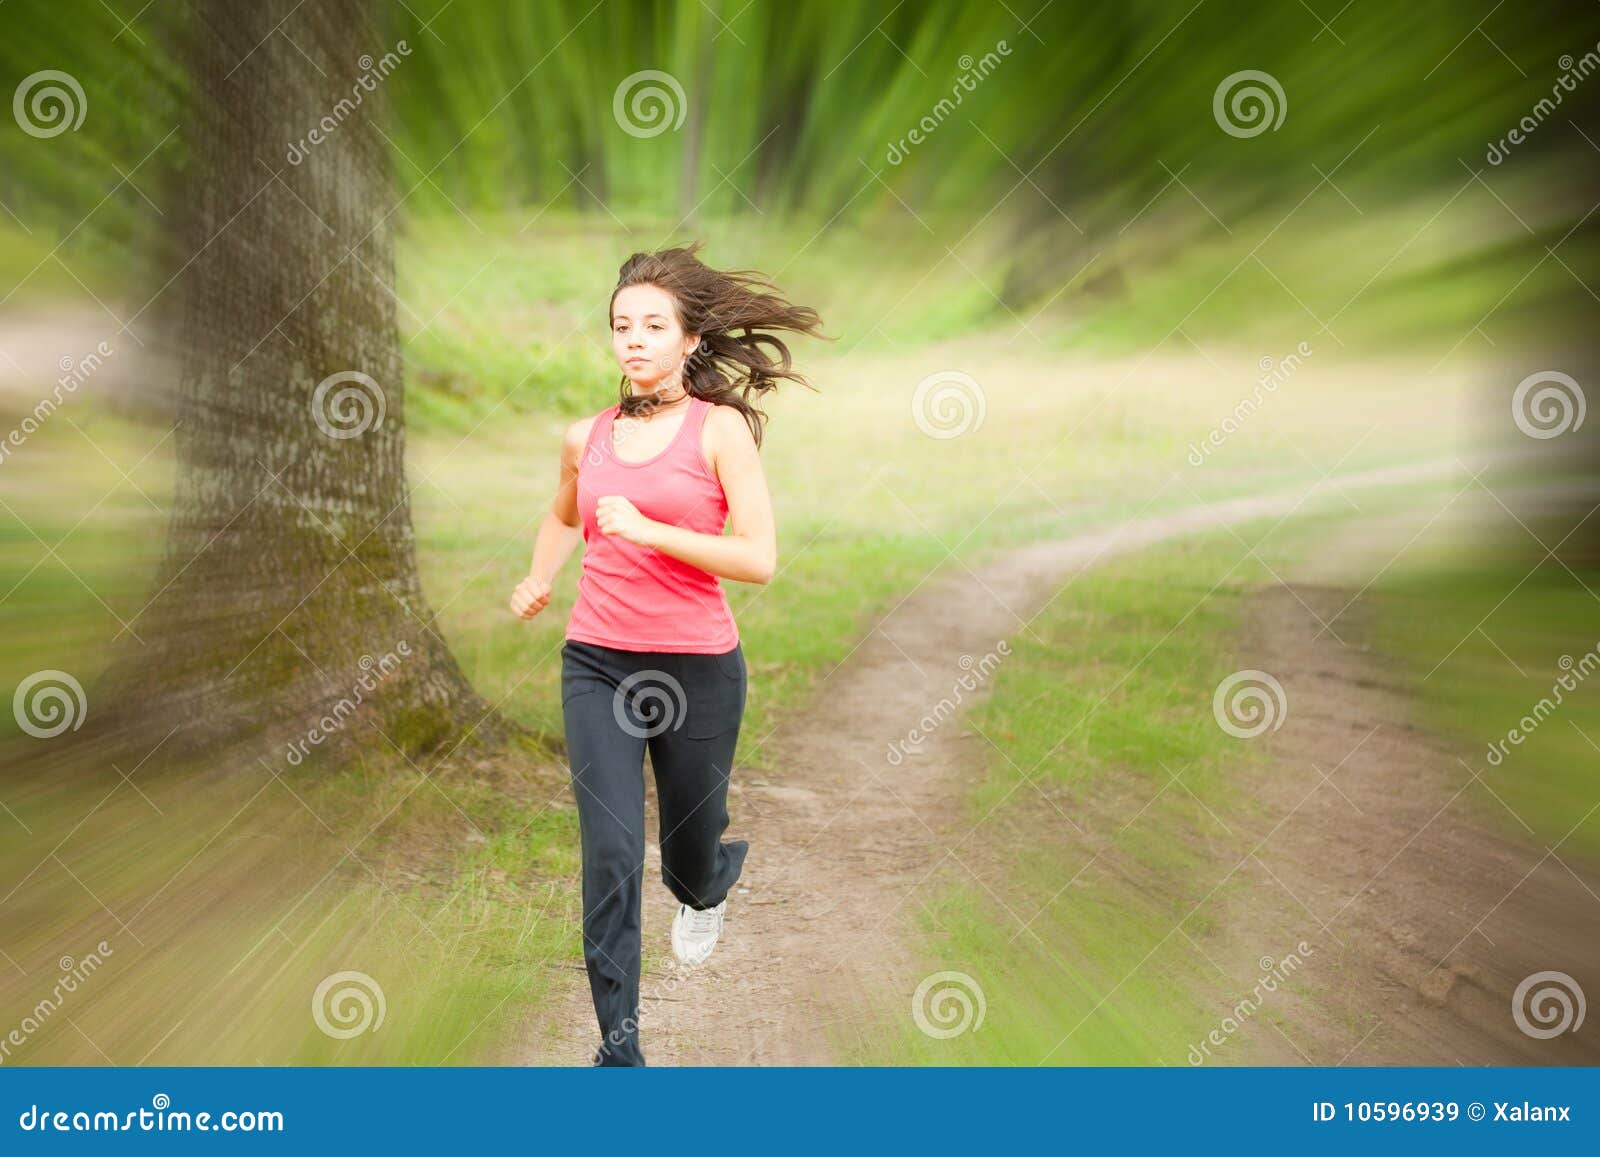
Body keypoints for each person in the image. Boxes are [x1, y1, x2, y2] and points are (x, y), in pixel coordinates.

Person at [508, 243, 826, 1066]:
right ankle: (620, 1059)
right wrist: (539, 577)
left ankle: (703, 883)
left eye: (654, 325)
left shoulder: (720, 432)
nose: (634, 340)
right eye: (621, 326)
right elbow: (563, 514)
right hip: (599, 664)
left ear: (690, 340)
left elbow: (758, 558)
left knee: (686, 855)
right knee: (611, 848)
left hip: (698, 670)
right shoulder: (589, 436)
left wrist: (652, 530)